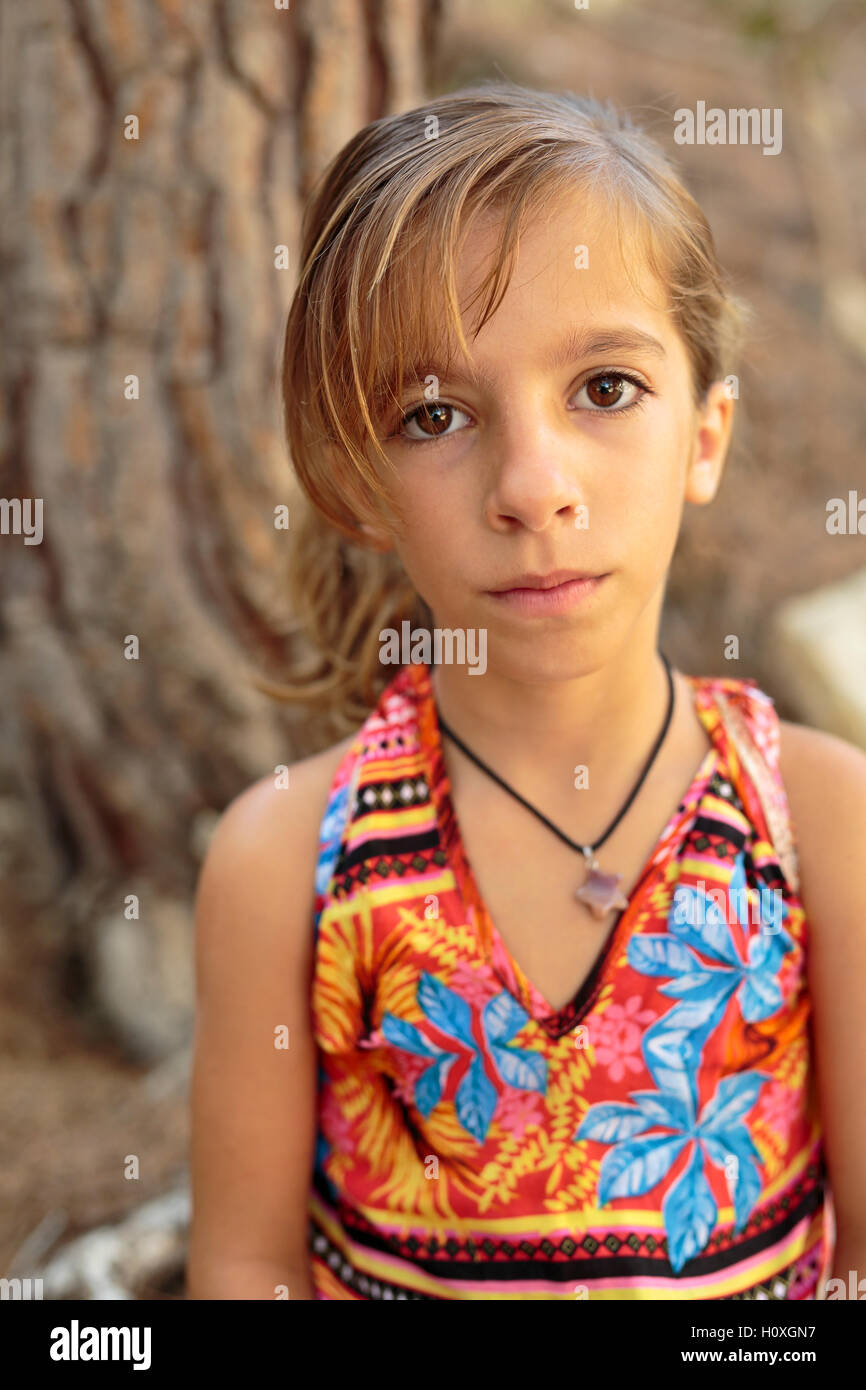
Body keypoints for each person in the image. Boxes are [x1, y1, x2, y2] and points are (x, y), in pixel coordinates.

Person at [185, 82, 866, 1300]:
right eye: (434, 413)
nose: (531, 485)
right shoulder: (287, 861)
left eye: (602, 388)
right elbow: (245, 1263)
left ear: (703, 435)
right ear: (356, 484)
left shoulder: (820, 824)